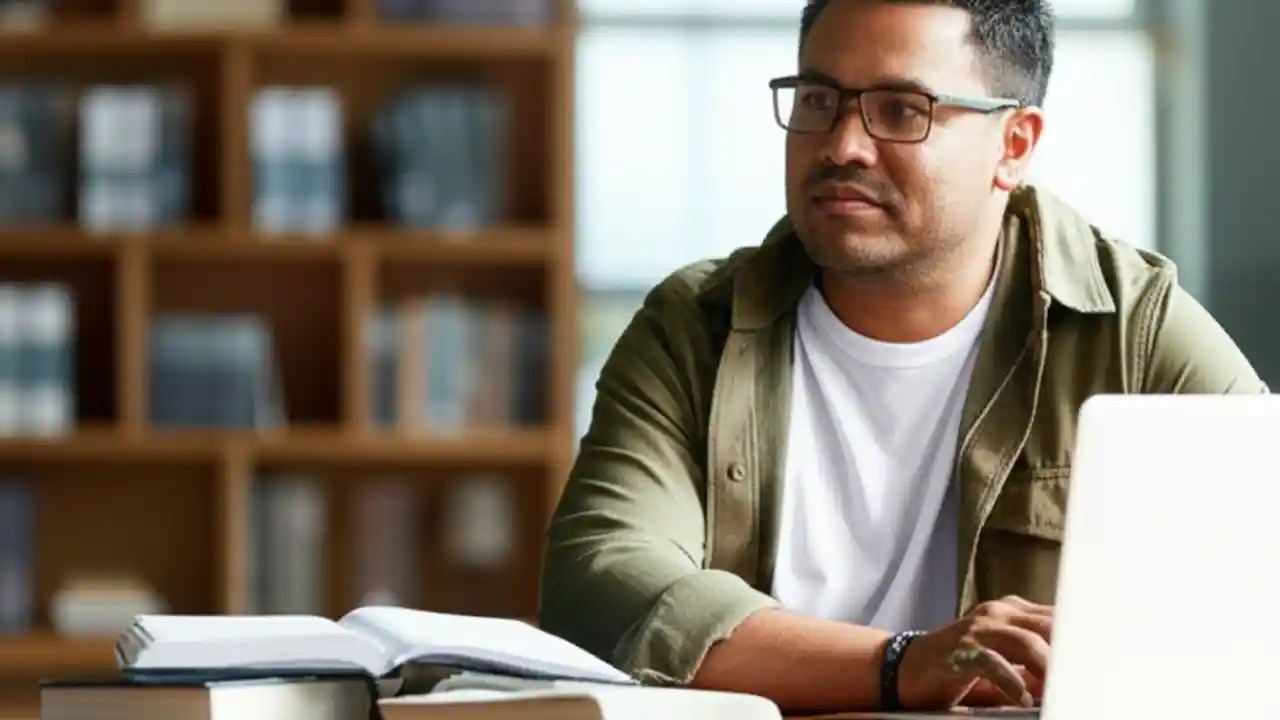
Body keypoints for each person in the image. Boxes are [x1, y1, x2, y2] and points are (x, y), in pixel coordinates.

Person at [539, 0, 1266, 714]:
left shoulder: (1131, 330)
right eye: (820, 98)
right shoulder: (695, 327)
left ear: (1013, 144)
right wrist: (902, 663)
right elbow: (602, 579)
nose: (842, 144)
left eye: (899, 109)